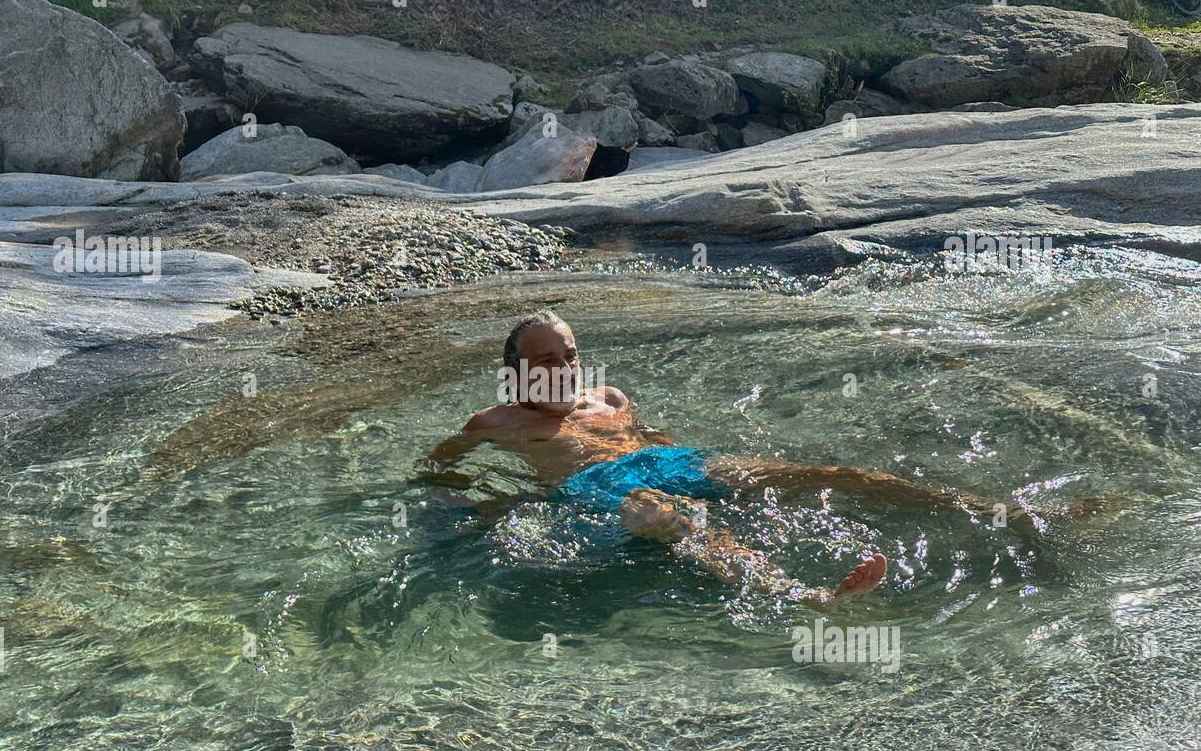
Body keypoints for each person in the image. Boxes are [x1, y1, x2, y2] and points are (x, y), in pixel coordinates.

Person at [419, 310, 1039, 604]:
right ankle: (806, 597)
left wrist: (705, 470)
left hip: (670, 462)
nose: (563, 369)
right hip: (603, 489)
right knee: (682, 522)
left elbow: (653, 441)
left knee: (820, 475)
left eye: (569, 354)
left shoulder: (607, 396)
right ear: (517, 370)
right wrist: (488, 507)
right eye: (546, 360)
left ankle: (988, 509)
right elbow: (437, 470)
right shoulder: (495, 422)